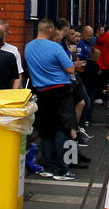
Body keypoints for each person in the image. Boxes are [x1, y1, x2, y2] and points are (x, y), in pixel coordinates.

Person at [25, 19, 78, 181]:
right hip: (60, 91)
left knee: (46, 130)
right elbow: (70, 68)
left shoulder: (28, 47)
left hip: (41, 92)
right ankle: (61, 170)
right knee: (62, 129)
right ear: (49, 30)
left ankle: (48, 167)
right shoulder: (55, 47)